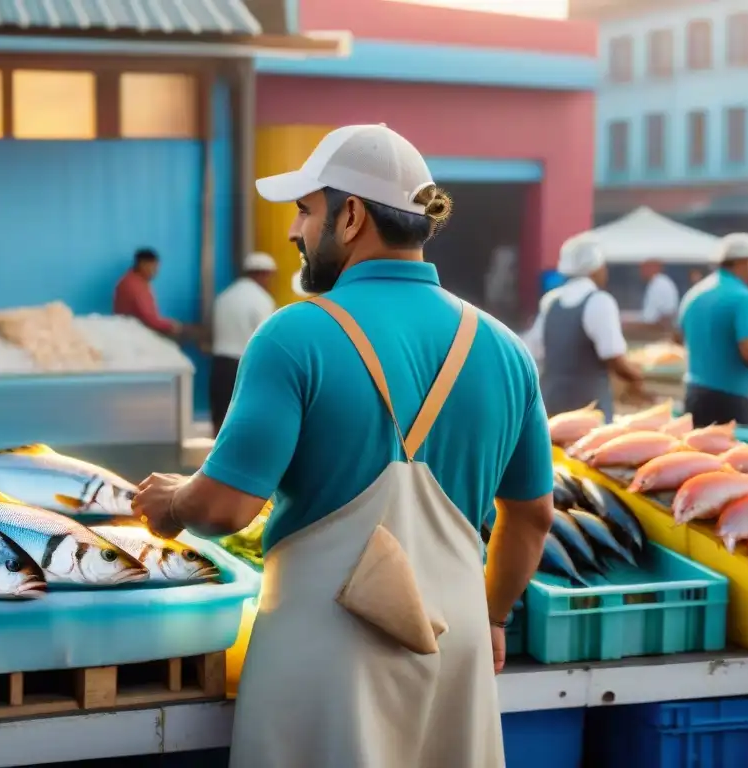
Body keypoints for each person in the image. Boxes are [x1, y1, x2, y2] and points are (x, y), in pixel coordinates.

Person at [132, 124, 555, 768]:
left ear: (351, 215)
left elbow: (226, 508)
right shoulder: (505, 349)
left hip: (328, 656)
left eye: (306, 210)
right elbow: (532, 516)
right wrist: (493, 617)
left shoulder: (294, 335)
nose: (295, 231)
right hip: (458, 649)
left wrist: (173, 503)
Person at [524, 237, 645, 422]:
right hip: (589, 412)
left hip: (551, 406)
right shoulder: (600, 301)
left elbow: (534, 350)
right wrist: (637, 378)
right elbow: (612, 355)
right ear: (596, 268)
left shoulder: (551, 301)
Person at [677, 233, 748, 426]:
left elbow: (678, 336)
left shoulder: (694, 293)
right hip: (729, 400)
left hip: (693, 395)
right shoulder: (744, 297)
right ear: (746, 262)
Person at [209, 252, 277, 434]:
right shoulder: (262, 300)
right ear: (263, 274)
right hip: (245, 365)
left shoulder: (223, 296)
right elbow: (266, 339)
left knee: (220, 421)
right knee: (244, 423)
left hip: (220, 364)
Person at [113, 248, 181, 337]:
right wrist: (171, 325)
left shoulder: (128, 279)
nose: (156, 272)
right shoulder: (135, 286)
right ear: (142, 264)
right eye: (153, 267)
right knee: (194, 332)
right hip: (138, 332)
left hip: (129, 328)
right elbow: (149, 319)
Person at [625, 259, 680, 337]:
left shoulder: (661, 284)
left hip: (659, 337)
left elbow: (658, 321)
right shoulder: (655, 283)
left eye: (645, 266)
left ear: (655, 266)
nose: (641, 269)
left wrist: (628, 326)